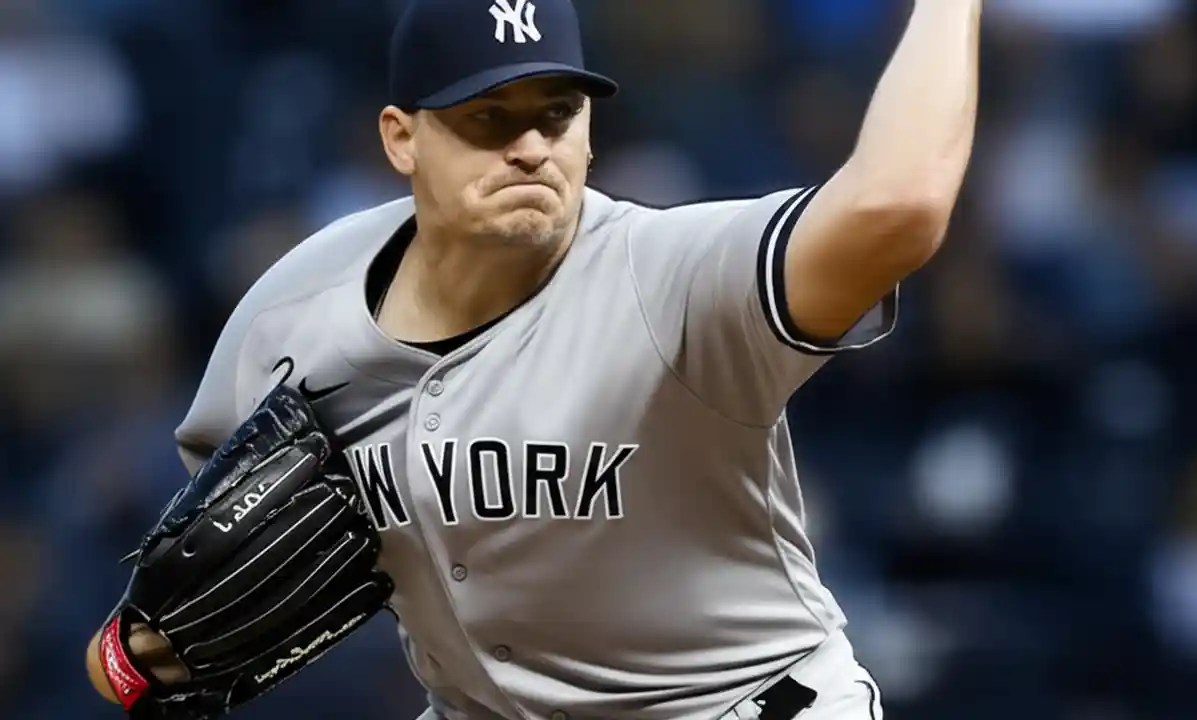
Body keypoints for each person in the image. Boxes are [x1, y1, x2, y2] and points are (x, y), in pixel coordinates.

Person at [87, 0, 983, 717]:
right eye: (488, 116)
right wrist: (129, 662)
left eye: (558, 114)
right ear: (401, 138)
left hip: (738, 703)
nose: (530, 146)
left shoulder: (670, 276)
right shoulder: (292, 318)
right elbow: (195, 566)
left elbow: (897, 207)